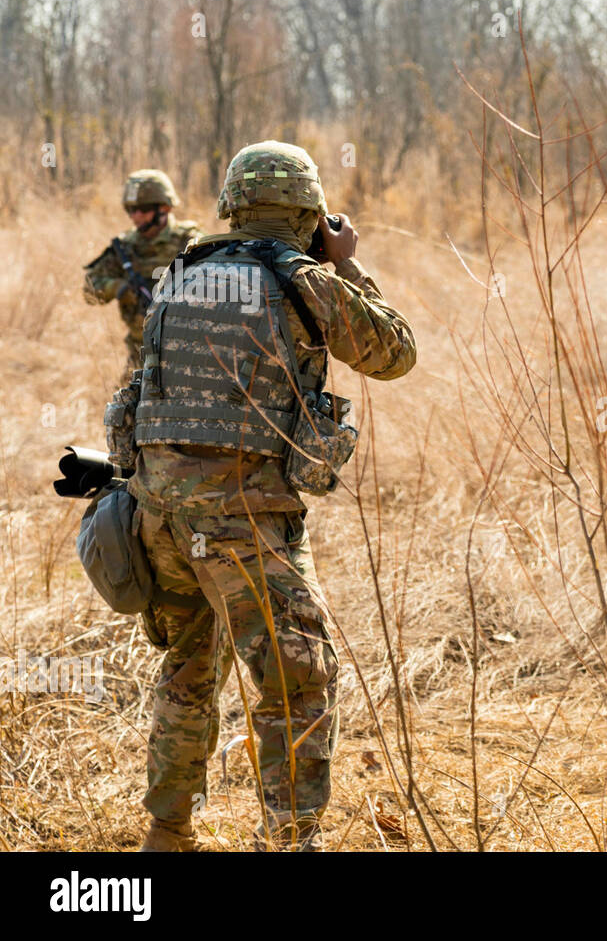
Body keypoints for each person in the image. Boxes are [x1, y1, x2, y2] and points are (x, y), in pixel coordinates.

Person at [111, 141, 418, 850]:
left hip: (161, 515)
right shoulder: (304, 278)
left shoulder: (184, 272)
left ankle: (167, 831)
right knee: (297, 682)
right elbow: (395, 352)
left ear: (230, 206)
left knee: (190, 668)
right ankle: (289, 839)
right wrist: (346, 261)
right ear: (309, 213)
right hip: (244, 521)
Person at [83, 170, 204, 378]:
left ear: (164, 207)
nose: (135, 216)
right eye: (131, 209)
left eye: (143, 209)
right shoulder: (124, 248)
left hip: (188, 352)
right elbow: (89, 290)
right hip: (139, 353)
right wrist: (118, 288)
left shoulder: (190, 242)